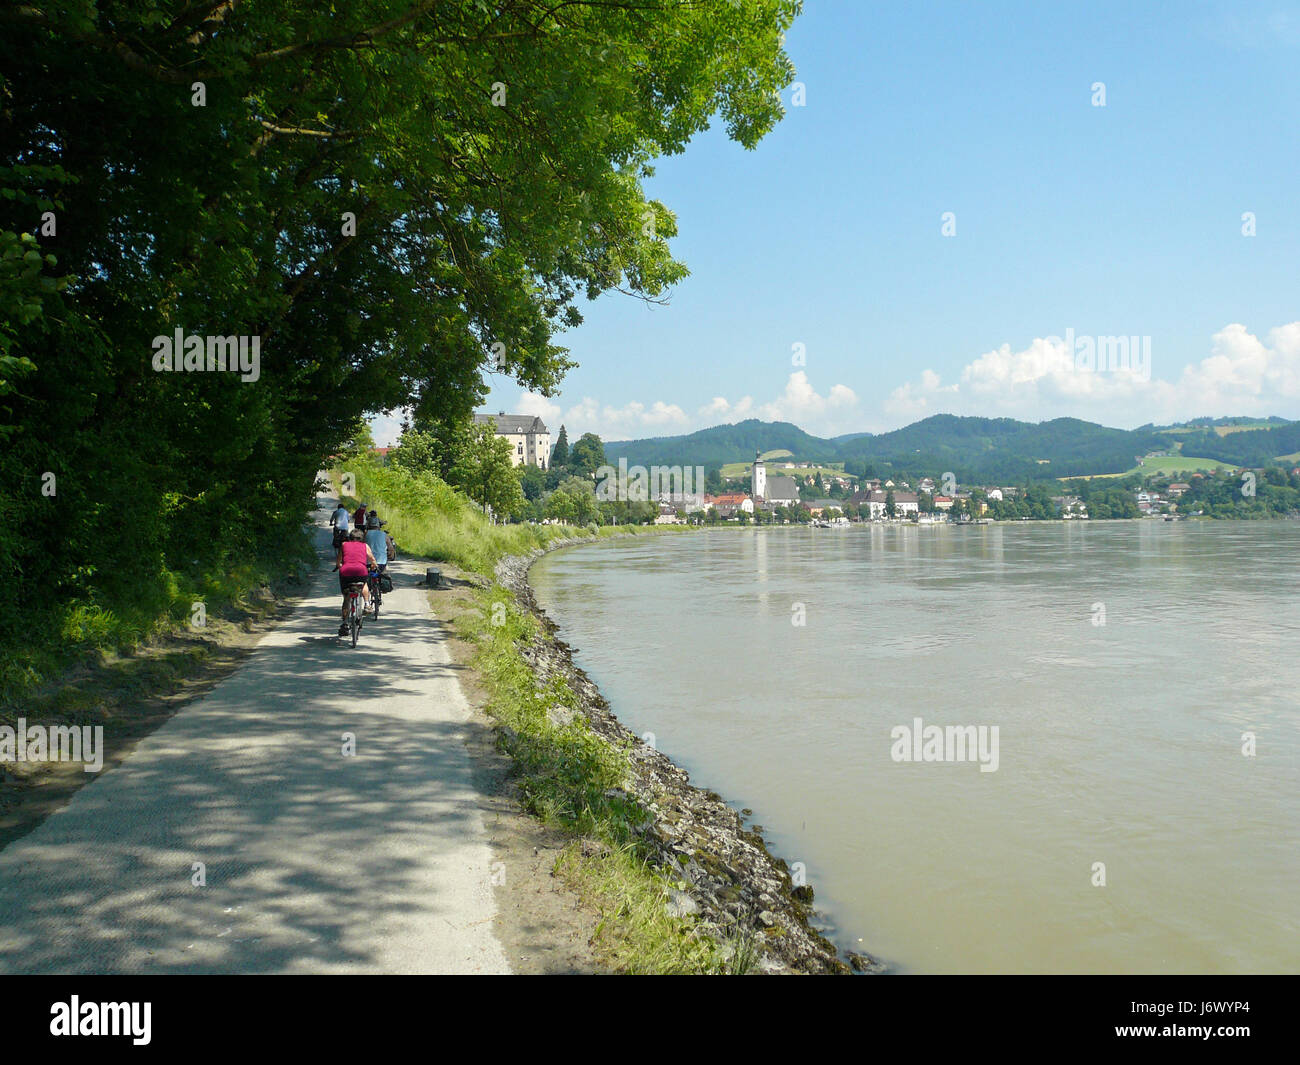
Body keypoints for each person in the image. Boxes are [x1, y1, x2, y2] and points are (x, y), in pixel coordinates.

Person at [335, 528, 377, 636]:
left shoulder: (344, 545)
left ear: (350, 538)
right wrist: (374, 566)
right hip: (360, 571)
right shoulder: (365, 546)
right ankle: (367, 604)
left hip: (346, 572)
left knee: (346, 598)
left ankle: (345, 623)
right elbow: (372, 559)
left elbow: (338, 561)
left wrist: (339, 566)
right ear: (362, 539)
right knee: (364, 584)